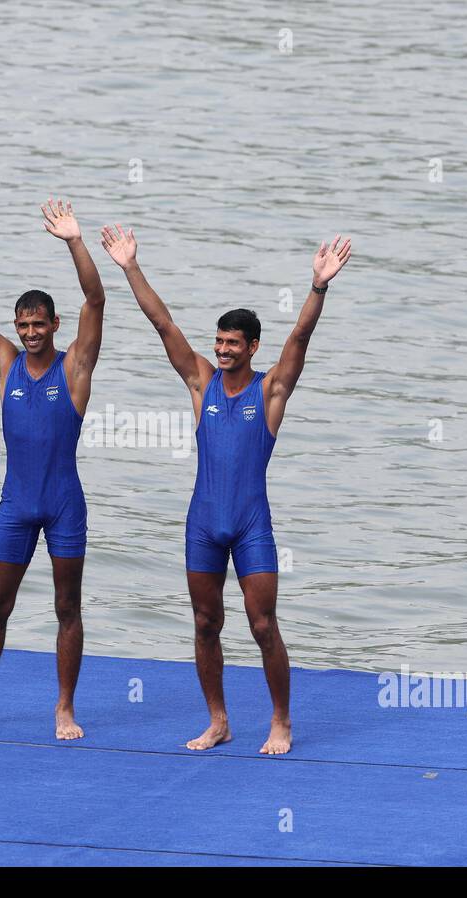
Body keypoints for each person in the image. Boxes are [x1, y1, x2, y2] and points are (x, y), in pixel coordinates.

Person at [100, 225, 351, 754]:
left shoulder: (271, 389)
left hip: (251, 524)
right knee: (205, 622)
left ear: (252, 347)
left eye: (233, 343)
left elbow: (299, 340)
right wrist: (129, 268)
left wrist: (318, 287)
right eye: (218, 342)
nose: (222, 350)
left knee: (262, 626)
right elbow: (161, 322)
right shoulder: (200, 382)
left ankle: (280, 720)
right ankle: (219, 720)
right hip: (204, 525)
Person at [0, 201, 105, 740]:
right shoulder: (4, 362)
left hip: (64, 505)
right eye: (24, 325)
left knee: (67, 607)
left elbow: (95, 299)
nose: (31, 332)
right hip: (14, 506)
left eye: (39, 324)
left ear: (54, 325)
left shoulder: (75, 366)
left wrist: (74, 242)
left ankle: (63, 709)